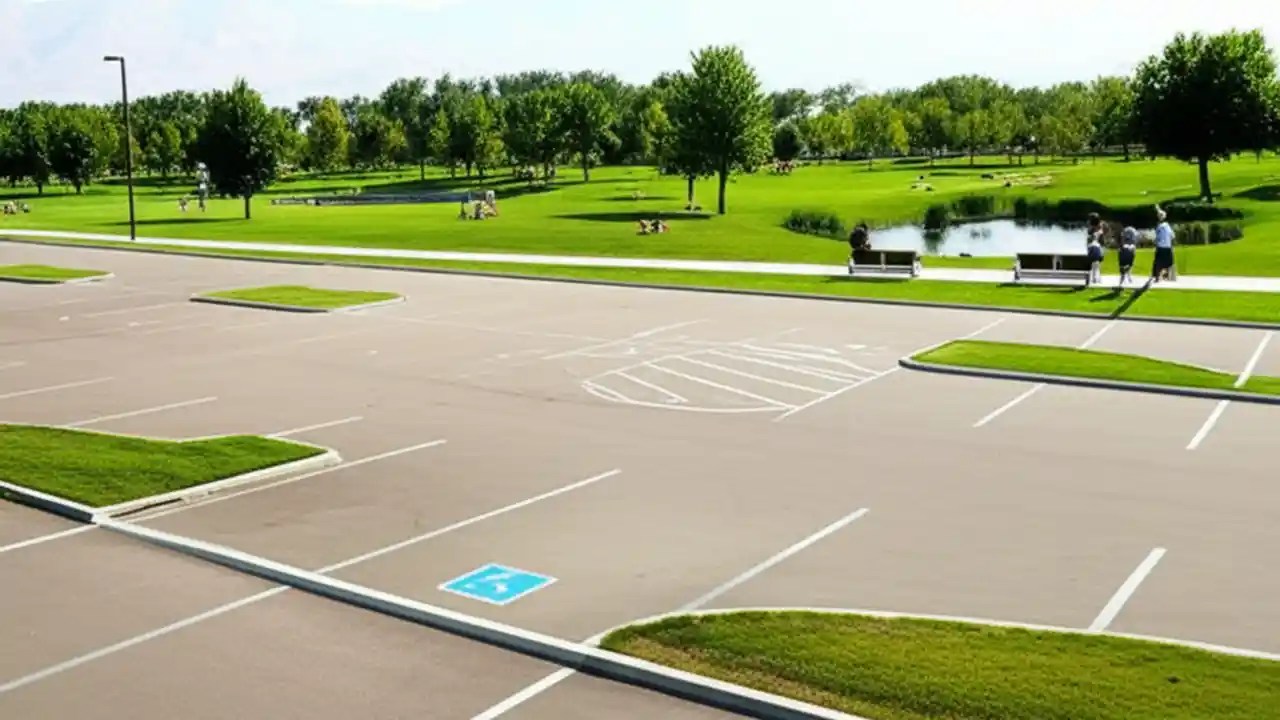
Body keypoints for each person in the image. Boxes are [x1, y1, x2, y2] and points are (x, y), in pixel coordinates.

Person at [1152, 207, 1176, 283]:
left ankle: (1158, 277)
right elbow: (1172, 236)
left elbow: (1157, 238)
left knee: (1158, 262)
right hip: (1167, 246)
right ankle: (1168, 276)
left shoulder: (1159, 227)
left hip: (1161, 247)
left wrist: (1156, 243)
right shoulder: (1167, 226)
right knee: (1168, 262)